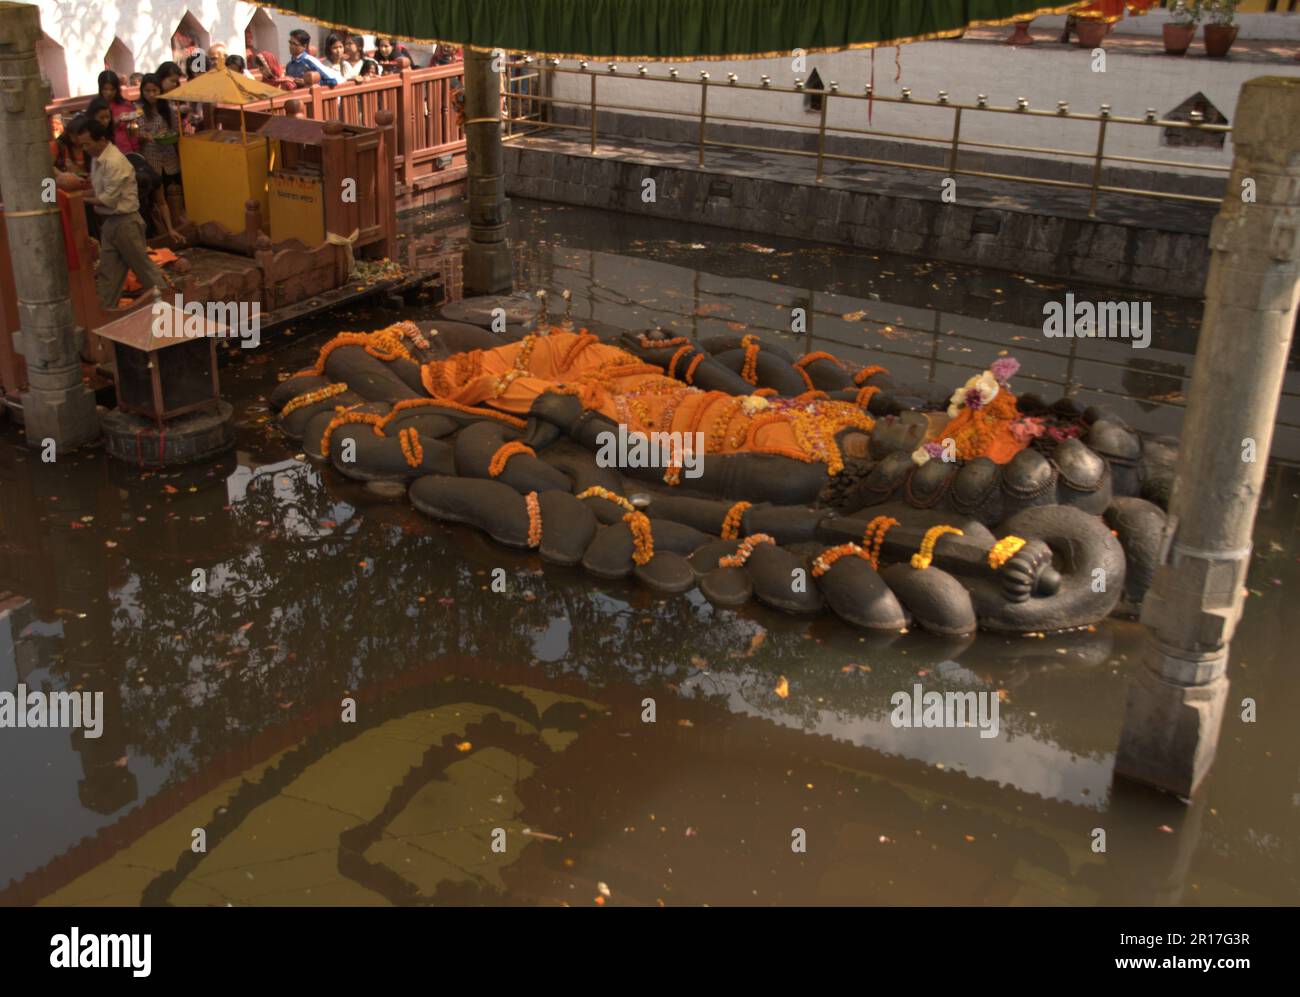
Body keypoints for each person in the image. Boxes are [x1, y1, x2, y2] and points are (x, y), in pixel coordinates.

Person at [84, 119, 172, 307]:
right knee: (109, 272)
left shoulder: (114, 161)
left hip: (125, 221)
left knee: (144, 268)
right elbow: (98, 192)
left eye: (87, 144)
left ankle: (169, 305)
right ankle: (105, 311)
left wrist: (78, 199)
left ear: (101, 140)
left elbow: (108, 199)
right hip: (111, 222)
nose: (85, 148)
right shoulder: (97, 160)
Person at [135, 73, 181, 194]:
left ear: (160, 90)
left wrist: (171, 134)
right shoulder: (138, 109)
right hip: (150, 153)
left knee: (173, 188)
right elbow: (137, 131)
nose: (151, 94)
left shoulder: (167, 107)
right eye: (147, 91)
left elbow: (175, 128)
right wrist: (144, 135)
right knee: (156, 189)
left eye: (155, 90)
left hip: (168, 153)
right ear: (142, 91)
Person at [98, 70, 140, 155]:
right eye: (105, 89)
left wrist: (136, 151)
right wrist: (113, 123)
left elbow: (133, 132)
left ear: (117, 89)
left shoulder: (126, 105)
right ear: (100, 88)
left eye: (112, 89)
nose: (109, 93)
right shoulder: (96, 107)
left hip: (128, 152)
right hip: (106, 154)